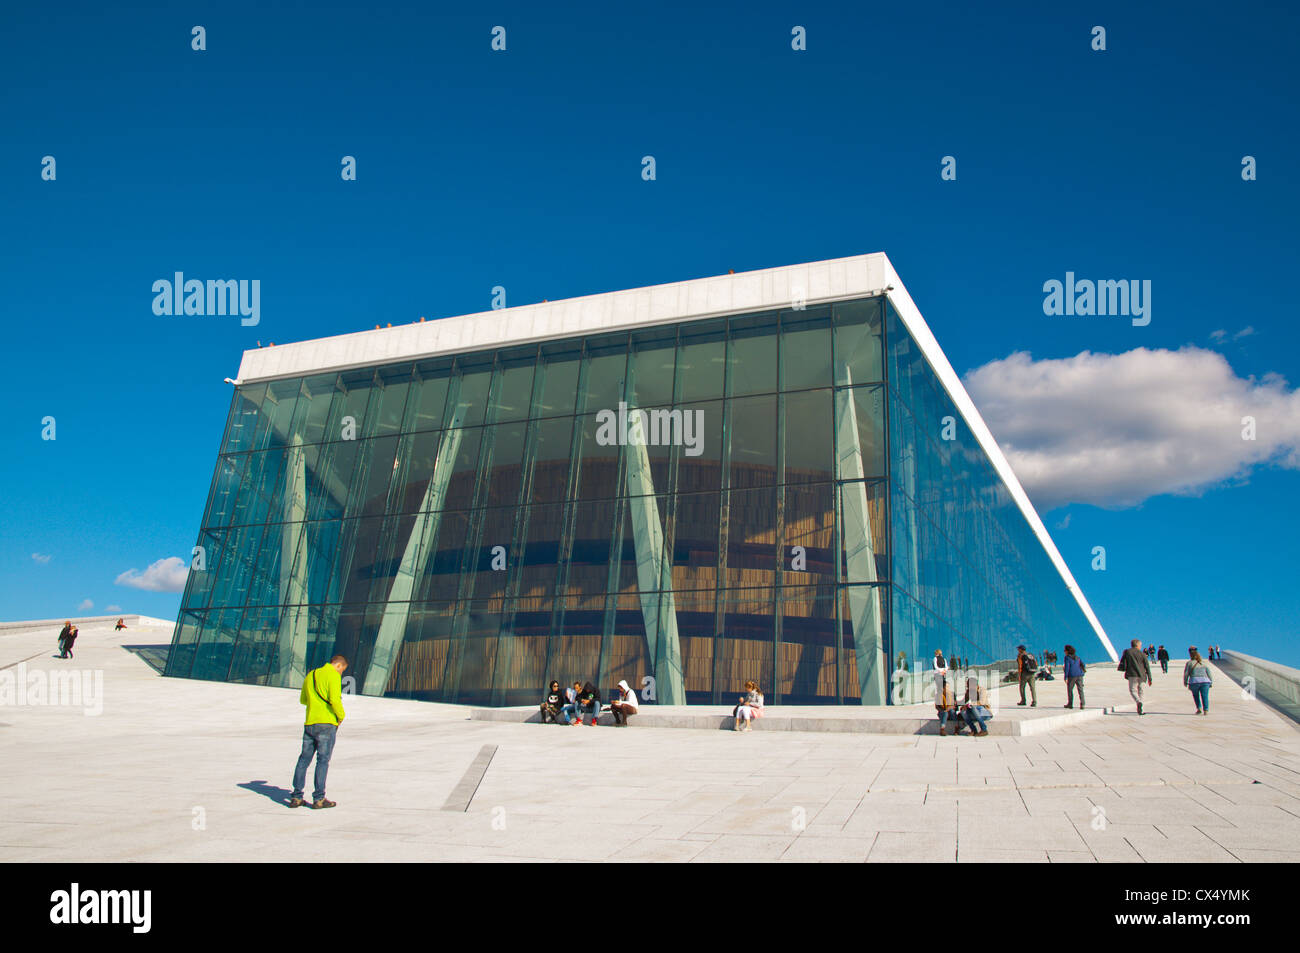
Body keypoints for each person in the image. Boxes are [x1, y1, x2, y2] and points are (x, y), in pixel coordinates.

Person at [289, 654, 348, 809]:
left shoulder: (311, 674)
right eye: (342, 670)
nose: (341, 673)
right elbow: (335, 700)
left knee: (303, 760)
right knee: (322, 761)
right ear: (339, 666)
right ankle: (319, 798)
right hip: (326, 723)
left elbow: (303, 700)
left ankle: (296, 796)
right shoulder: (333, 676)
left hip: (310, 722)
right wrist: (341, 716)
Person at [1120, 639, 1153, 715]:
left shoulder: (1127, 652)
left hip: (1132, 674)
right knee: (1141, 691)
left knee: (1133, 690)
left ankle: (1138, 702)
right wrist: (1150, 678)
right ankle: (1141, 708)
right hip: (1142, 675)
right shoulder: (1142, 654)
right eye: (1140, 645)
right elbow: (1147, 667)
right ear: (1138, 645)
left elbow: (1124, 662)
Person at [1184, 647, 1213, 715]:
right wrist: (1211, 682)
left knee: (1196, 696)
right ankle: (1206, 710)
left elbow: (1186, 673)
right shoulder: (1203, 663)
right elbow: (1209, 673)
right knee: (1205, 696)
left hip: (1194, 681)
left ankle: (1199, 708)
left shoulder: (1189, 663)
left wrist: (1185, 681)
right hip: (1205, 681)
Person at [1062, 644, 1086, 709]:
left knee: (1070, 690)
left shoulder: (1067, 658)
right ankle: (1082, 704)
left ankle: (1070, 704)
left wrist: (1065, 676)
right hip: (1080, 675)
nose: (1064, 652)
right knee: (1080, 689)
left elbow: (1067, 667)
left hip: (1072, 676)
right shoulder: (1077, 657)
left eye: (1065, 650)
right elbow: (1083, 664)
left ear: (1067, 651)